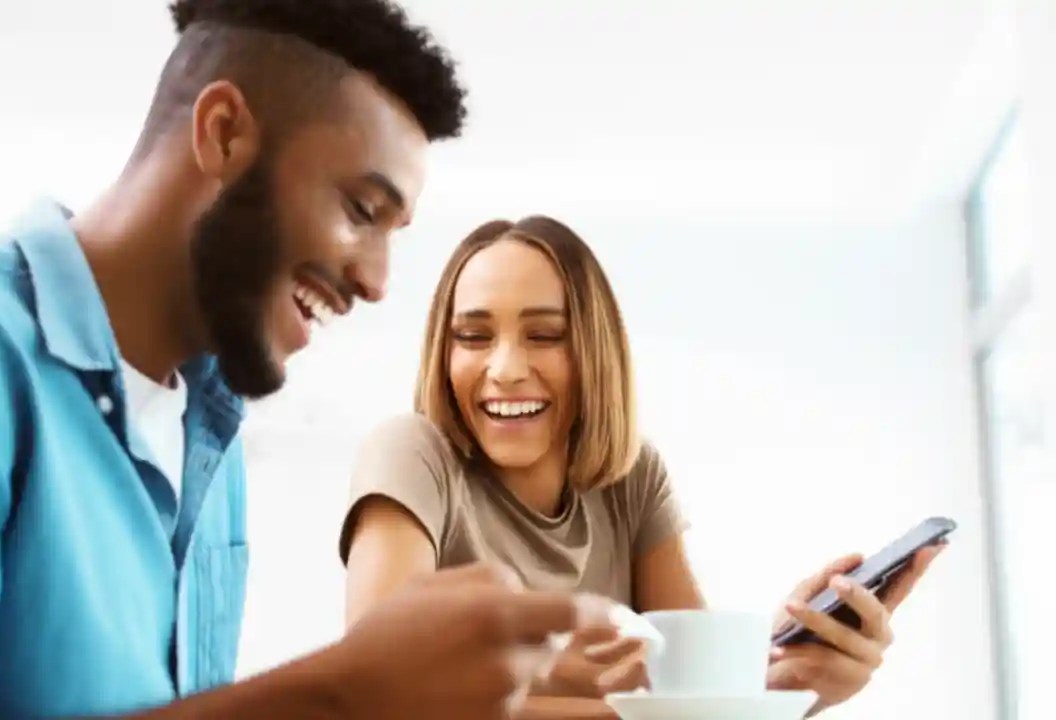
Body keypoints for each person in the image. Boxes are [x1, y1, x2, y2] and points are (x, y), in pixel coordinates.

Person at [0, 2, 591, 718]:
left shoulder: (213, 442)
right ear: (224, 132)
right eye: (360, 210)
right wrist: (339, 695)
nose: (377, 282)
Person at [339, 216, 946, 719]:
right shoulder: (414, 455)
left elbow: (696, 692)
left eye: (545, 335)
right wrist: (646, 713)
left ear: (594, 350)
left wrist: (791, 673)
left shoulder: (630, 480)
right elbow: (382, 686)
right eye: (472, 336)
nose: (504, 368)